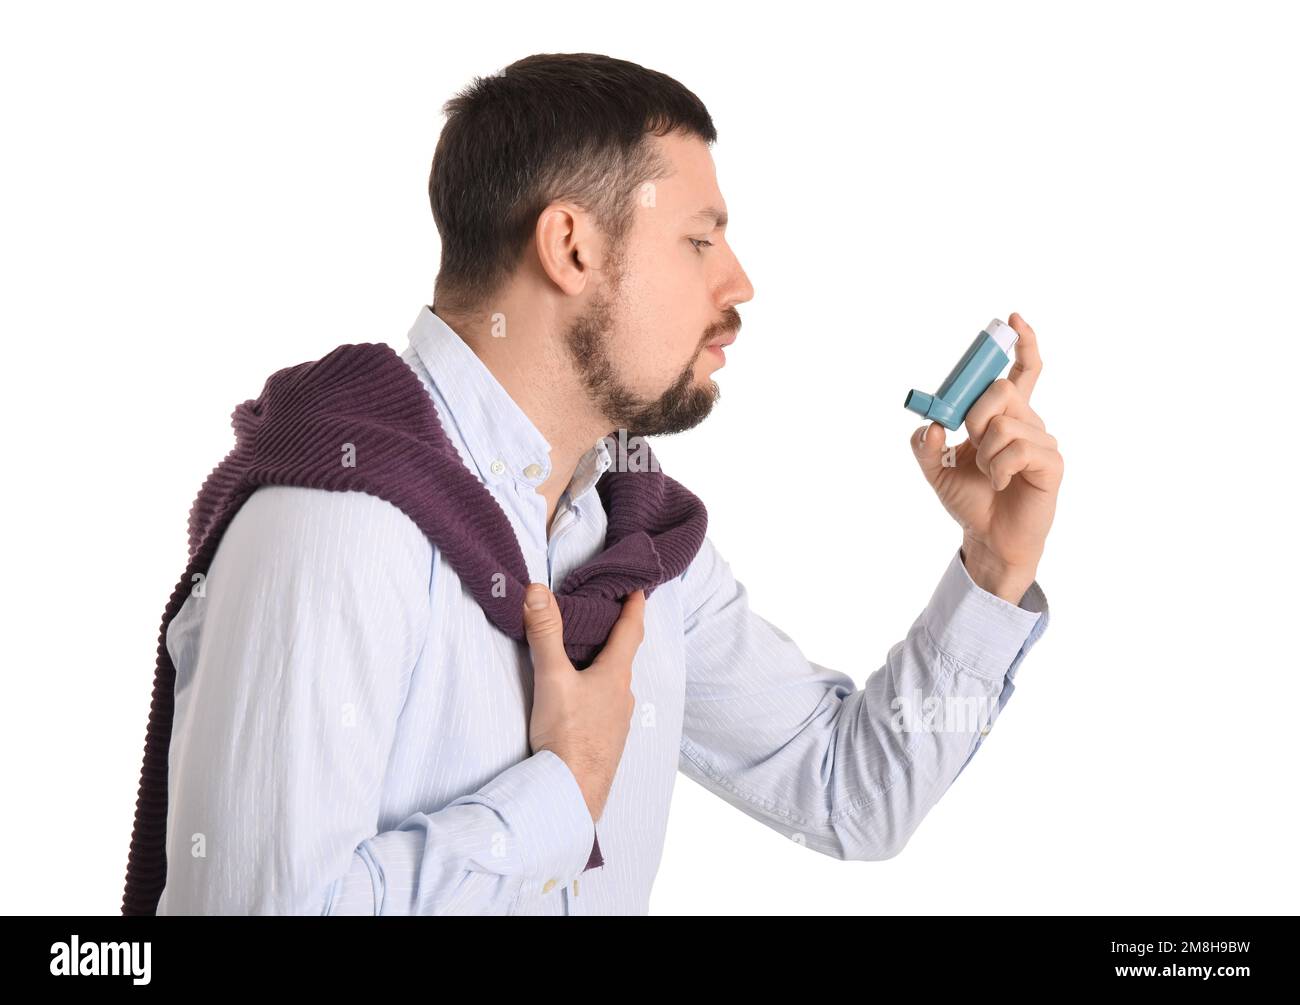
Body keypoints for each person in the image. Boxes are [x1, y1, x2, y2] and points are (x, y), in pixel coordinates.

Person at [153, 51, 1061, 916]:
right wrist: (561, 790)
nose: (739, 283)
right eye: (699, 241)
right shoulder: (336, 523)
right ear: (571, 247)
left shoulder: (634, 540)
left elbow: (843, 791)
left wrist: (996, 562)